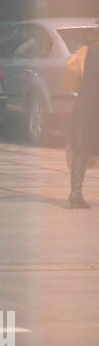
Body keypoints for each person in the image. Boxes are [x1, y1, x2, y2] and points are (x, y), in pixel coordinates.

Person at [67, 26, 99, 210]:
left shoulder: (85, 51)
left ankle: (75, 193)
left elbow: (72, 74)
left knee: (81, 150)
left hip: (85, 105)